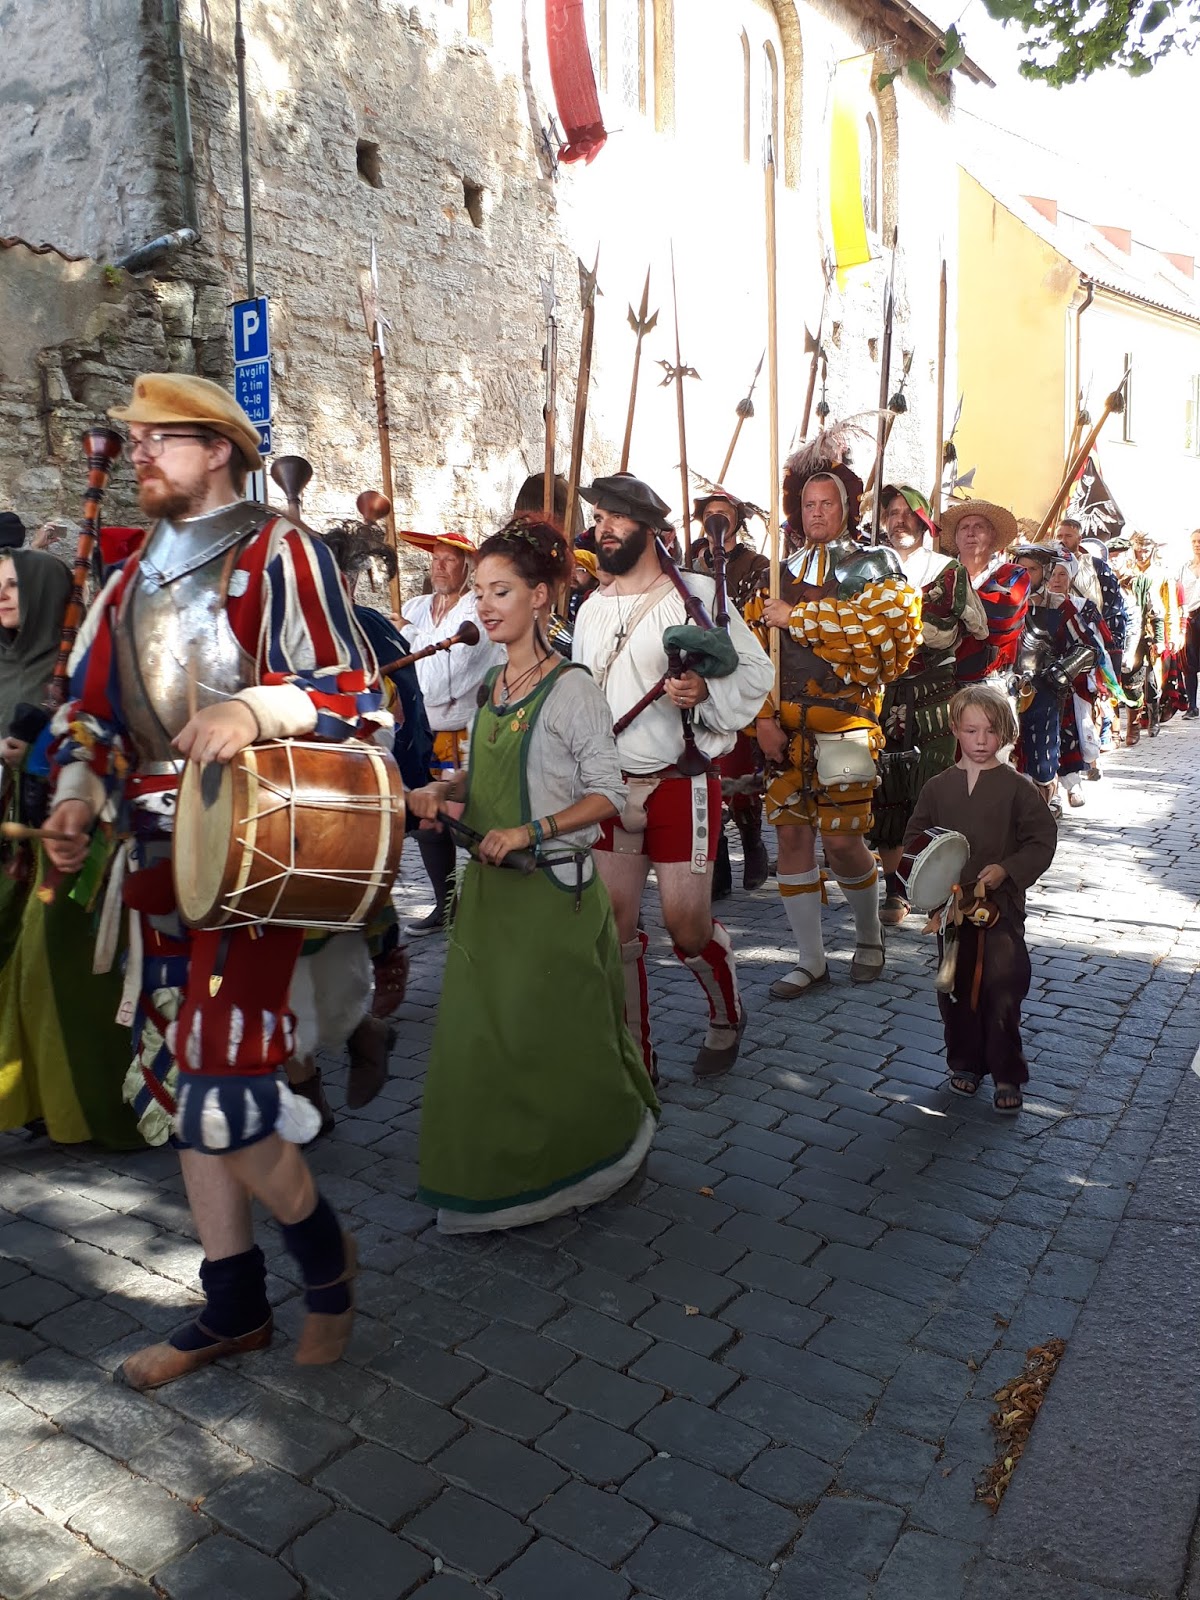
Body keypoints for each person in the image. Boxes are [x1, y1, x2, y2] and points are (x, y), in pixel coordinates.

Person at [44, 373, 384, 1389]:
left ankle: (326, 1268)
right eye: (135, 438)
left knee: (221, 1091)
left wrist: (258, 710)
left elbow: (355, 693)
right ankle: (233, 1305)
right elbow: (93, 710)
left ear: (221, 450)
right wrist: (72, 794)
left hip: (252, 857)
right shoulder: (131, 574)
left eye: (161, 438)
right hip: (153, 860)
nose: (137, 451)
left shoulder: (280, 551)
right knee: (184, 1088)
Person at [409, 519, 658, 1230]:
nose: (485, 606)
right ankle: (490, 1174)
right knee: (483, 1039)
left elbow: (607, 793)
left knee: (548, 1038)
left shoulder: (572, 688)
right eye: (481, 592)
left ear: (542, 597)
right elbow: (482, 772)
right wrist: (444, 790)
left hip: (549, 892)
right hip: (490, 896)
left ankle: (588, 1158)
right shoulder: (493, 683)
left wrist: (531, 829)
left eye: (502, 591)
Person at [572, 473, 773, 1079]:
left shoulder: (698, 595)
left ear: (651, 530)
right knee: (616, 924)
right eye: (601, 518)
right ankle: (638, 1056)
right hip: (610, 786)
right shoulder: (590, 607)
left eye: (618, 519)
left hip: (680, 782)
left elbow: (755, 673)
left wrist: (702, 690)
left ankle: (726, 1010)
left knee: (686, 928)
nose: (605, 528)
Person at [750, 452, 921, 994]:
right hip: (784, 730)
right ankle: (810, 959)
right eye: (808, 504)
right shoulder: (776, 574)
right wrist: (761, 719)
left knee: (844, 842)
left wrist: (796, 616)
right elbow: (754, 653)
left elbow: (881, 641)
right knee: (792, 838)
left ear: (846, 508)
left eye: (827, 503)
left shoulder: (874, 568)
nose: (817, 512)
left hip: (846, 728)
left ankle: (869, 935)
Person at [0, 549, 139, 1148]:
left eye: (12, 586)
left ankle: (88, 1103)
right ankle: (38, 1101)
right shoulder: (6, 666)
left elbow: (105, 744)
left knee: (50, 962)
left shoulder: (81, 671)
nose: (3, 596)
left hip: (84, 840)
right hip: (17, 843)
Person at [903, 685, 1057, 1115]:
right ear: (955, 730)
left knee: (1003, 987)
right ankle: (966, 1062)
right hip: (951, 910)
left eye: (990, 731)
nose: (981, 740)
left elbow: (1041, 840)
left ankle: (1007, 1072)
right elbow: (915, 840)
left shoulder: (1017, 788)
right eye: (971, 730)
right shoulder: (937, 788)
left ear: (1005, 733)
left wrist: (1006, 869)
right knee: (954, 988)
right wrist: (930, 887)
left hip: (999, 907)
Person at [872, 484, 988, 924]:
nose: (898, 519)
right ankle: (894, 887)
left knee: (932, 792)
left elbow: (973, 627)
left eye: (906, 511)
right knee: (885, 793)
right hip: (881, 696)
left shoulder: (946, 569)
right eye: (892, 512)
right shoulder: (868, 567)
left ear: (924, 520)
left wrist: (904, 617)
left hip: (933, 697)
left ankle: (943, 884)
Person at [401, 529, 503, 935]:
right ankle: (445, 904)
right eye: (436, 559)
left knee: (475, 822)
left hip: (468, 730)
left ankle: (492, 909)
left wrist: (413, 638)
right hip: (426, 731)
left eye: (449, 560)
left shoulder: (475, 613)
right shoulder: (414, 606)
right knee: (427, 822)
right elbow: (408, 675)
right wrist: (421, 646)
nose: (439, 566)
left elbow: (445, 677)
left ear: (466, 567)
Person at [689, 488, 771, 898]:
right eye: (709, 513)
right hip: (697, 676)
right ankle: (715, 859)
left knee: (739, 768)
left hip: (736, 669)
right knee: (705, 769)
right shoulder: (687, 564)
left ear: (737, 520)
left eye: (723, 514)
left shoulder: (757, 566)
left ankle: (753, 843)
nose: (716, 519)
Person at [1008, 544, 1102, 814]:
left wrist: (1061, 672)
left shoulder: (1060, 605)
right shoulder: (1000, 600)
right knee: (1004, 753)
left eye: (1032, 569)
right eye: (1020, 568)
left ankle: (1039, 814)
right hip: (1006, 689)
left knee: (1043, 759)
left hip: (1045, 690)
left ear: (1045, 572)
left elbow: (1088, 649)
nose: (1025, 574)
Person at [941, 500, 1030, 690]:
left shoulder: (1014, 574)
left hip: (992, 683)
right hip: (940, 685)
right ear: (956, 538)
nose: (970, 532)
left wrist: (948, 605)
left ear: (992, 535)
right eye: (964, 527)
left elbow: (1001, 619)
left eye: (978, 527)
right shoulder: (940, 573)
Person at [1178, 528, 1200, 719]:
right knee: (1189, 664)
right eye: (1194, 541)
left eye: (1199, 541)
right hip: (1189, 616)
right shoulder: (1185, 568)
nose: (1197, 545)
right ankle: (1192, 706)